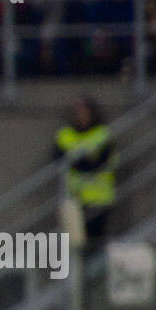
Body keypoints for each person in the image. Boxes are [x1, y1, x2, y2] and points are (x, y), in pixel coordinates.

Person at [54, 95, 117, 251]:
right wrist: (86, 159)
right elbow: (58, 160)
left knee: (96, 243)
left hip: (99, 200)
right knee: (75, 245)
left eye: (84, 111)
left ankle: (95, 274)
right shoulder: (65, 135)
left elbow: (102, 162)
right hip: (74, 200)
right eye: (78, 112)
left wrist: (76, 160)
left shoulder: (102, 134)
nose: (81, 115)